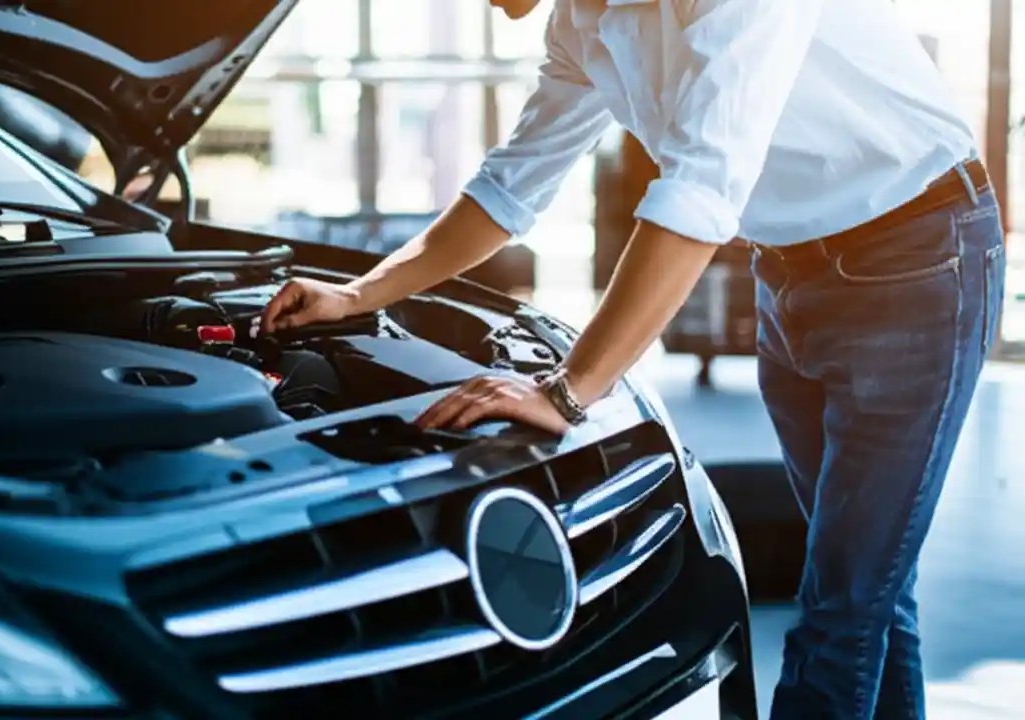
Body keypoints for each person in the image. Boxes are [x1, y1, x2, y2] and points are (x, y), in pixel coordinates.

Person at [260, 0, 1008, 717]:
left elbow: (699, 188)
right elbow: (510, 185)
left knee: (844, 603)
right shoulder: (580, 23)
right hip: (790, 270)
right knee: (870, 584)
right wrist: (358, 294)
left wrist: (568, 388)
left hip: (919, 258)